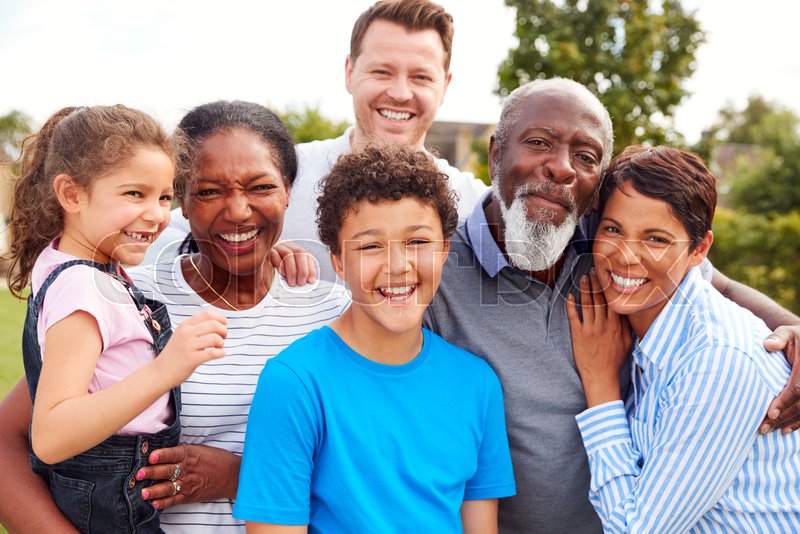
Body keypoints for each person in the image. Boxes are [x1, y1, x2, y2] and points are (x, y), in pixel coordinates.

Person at [423, 77, 800, 533]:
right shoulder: (437, 269)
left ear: (597, 185)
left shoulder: (612, 244)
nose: (561, 168)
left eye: (585, 157)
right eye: (539, 142)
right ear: (496, 152)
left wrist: (794, 331)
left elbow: (718, 286)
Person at [0, 101, 351, 533]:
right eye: (207, 191)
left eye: (261, 187)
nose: (239, 210)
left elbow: (368, 467)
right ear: (182, 200)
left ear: (288, 190)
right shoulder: (130, 296)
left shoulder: (334, 313)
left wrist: (234, 475)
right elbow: (12, 437)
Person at [234, 143, 515, 533]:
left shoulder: (477, 383)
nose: (398, 266)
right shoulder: (295, 382)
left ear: (445, 252)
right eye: (369, 246)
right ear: (337, 262)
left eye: (417, 242)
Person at [147, 0, 489, 280]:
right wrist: (245, 260)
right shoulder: (280, 175)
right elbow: (166, 235)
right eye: (381, 71)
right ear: (349, 73)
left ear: (444, 86)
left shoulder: (473, 205)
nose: (400, 92)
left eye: (420, 77)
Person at [4, 104, 228, 533]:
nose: (158, 214)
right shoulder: (83, 288)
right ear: (71, 194)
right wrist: (168, 368)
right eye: (134, 194)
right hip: (111, 498)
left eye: (164, 197)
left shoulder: (78, 259)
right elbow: (51, 435)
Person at [568, 145, 800, 532]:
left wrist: (601, 384)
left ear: (699, 250)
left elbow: (635, 529)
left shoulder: (717, 358)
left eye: (655, 239)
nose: (625, 256)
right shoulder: (658, 326)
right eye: (613, 230)